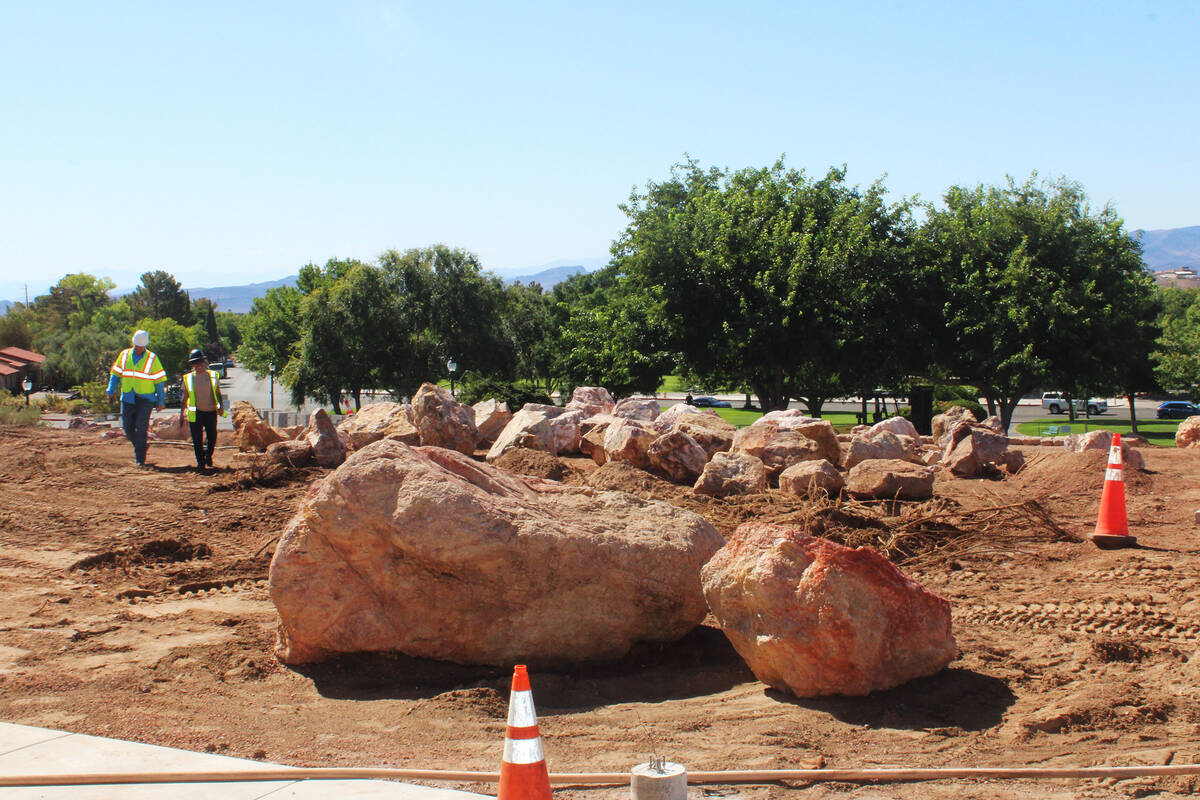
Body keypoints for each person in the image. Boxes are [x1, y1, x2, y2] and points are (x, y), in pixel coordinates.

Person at [106, 330, 166, 467]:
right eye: (136, 346)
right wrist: (111, 390)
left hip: (146, 399)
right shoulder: (124, 355)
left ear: (145, 345)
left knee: (141, 428)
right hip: (128, 396)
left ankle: (140, 459)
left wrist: (160, 401)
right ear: (133, 343)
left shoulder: (152, 358)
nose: (138, 349)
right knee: (127, 428)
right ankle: (141, 446)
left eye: (141, 347)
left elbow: (159, 381)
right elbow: (116, 374)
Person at [179, 349, 226, 471]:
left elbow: (218, 393)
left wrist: (221, 407)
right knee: (197, 439)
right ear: (192, 365)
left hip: (210, 411)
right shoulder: (188, 378)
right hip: (195, 412)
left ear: (204, 362)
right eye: (195, 363)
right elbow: (184, 397)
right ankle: (200, 462)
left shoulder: (212, 376)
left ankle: (208, 455)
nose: (198, 365)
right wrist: (181, 413)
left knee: (212, 436)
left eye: (200, 362)